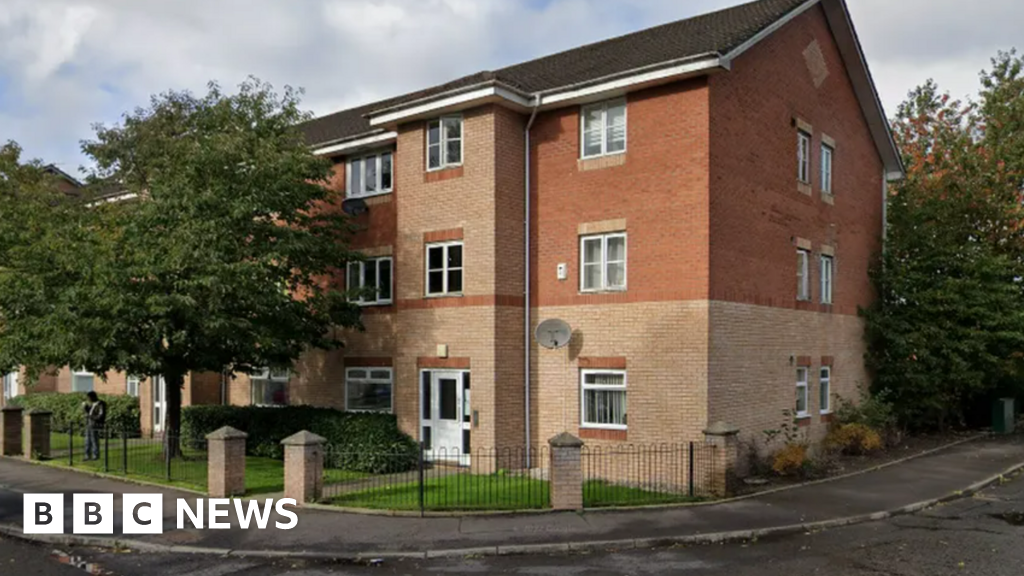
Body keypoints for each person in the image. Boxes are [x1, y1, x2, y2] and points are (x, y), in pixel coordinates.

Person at [83, 391, 107, 461]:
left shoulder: (100, 404)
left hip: (95, 424)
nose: (88, 399)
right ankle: (87, 455)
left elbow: (101, 415)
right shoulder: (92, 404)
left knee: (94, 440)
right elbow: (89, 413)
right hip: (89, 423)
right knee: (87, 440)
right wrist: (86, 408)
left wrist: (91, 417)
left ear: (93, 397)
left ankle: (95, 455)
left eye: (89, 398)